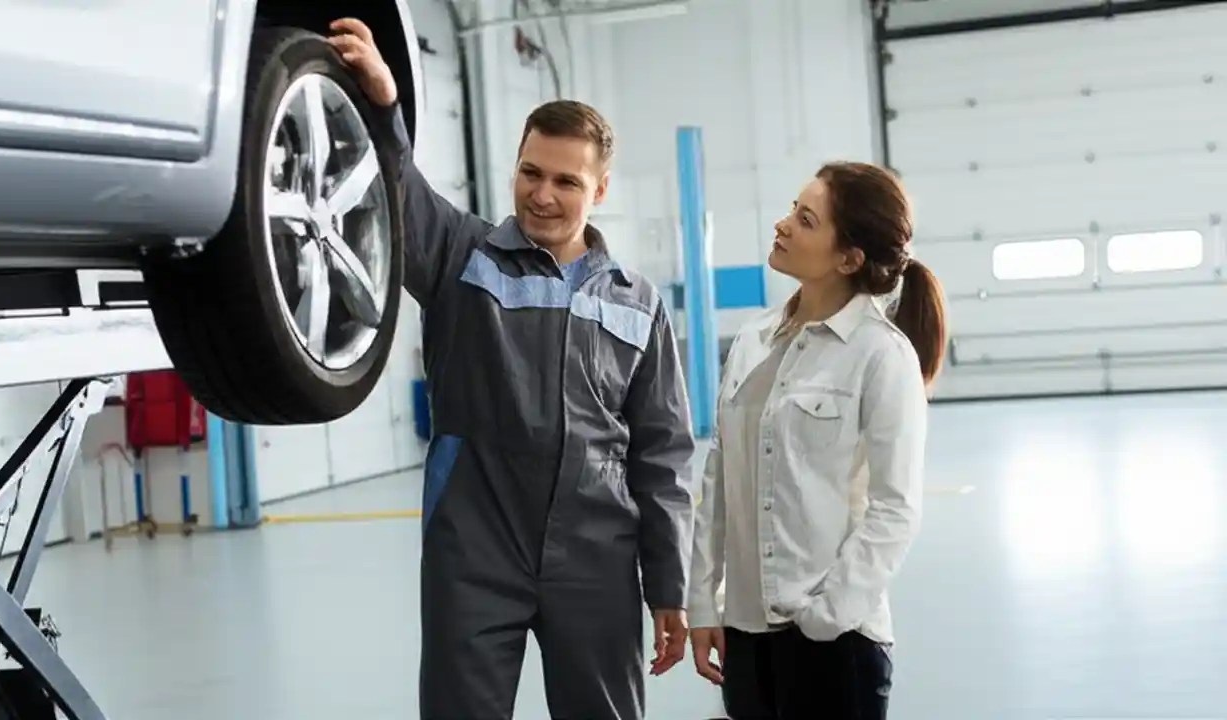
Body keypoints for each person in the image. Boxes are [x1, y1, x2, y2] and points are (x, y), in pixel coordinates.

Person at [328, 18, 696, 720]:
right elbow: (397, 187)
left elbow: (663, 457)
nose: (542, 195)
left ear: (600, 190)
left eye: (566, 181)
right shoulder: (461, 256)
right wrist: (384, 107)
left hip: (596, 557)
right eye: (531, 173)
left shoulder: (638, 304)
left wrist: (669, 586)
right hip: (475, 551)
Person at [686, 161, 946, 719]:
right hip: (745, 634)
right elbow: (720, 477)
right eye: (792, 209)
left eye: (806, 220)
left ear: (848, 258)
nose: (783, 225)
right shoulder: (753, 340)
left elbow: (896, 508)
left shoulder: (881, 354)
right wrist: (703, 603)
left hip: (835, 643)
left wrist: (828, 616)